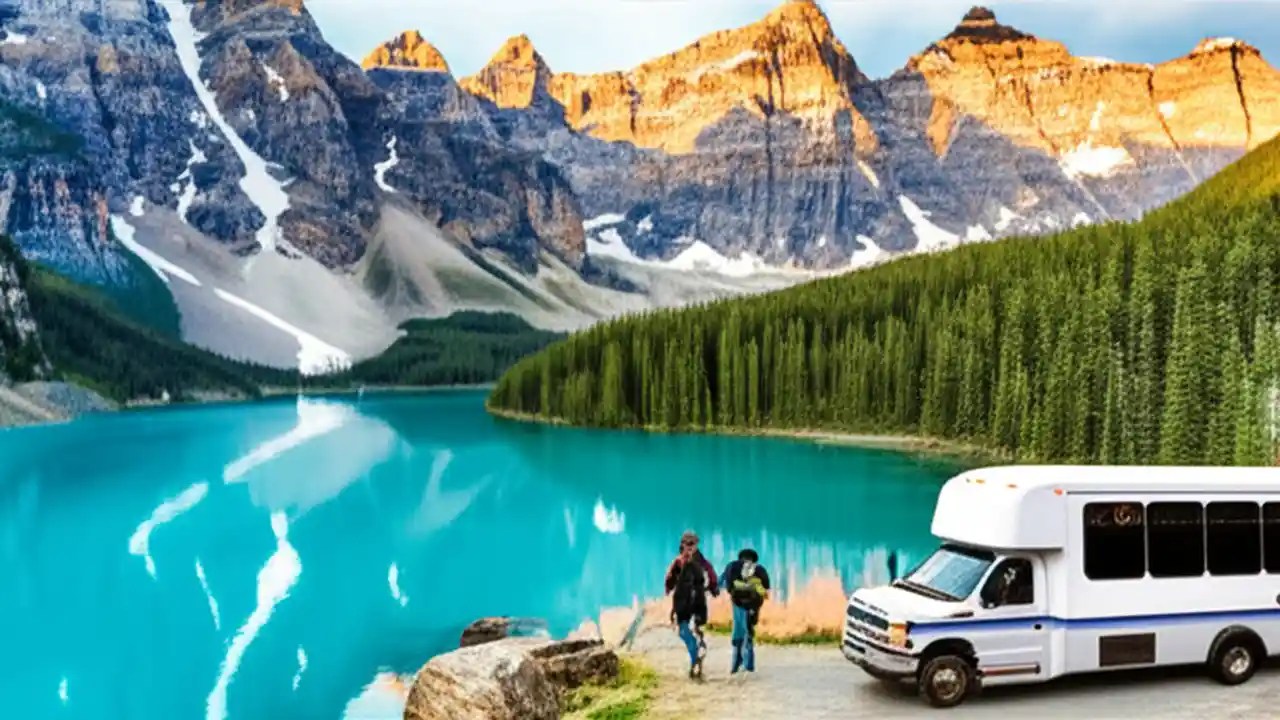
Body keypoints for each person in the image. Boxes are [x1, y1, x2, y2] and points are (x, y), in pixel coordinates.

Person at [664, 530, 719, 679]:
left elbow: (713, 579)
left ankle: (696, 661)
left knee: (694, 630)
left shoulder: (702, 563)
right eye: (686, 543)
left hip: (696, 602)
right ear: (682, 544)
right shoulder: (678, 562)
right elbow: (669, 579)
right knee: (683, 632)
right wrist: (668, 588)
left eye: (692, 543)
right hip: (682, 601)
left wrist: (713, 589)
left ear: (696, 545)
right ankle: (696, 656)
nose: (689, 546)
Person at [719, 548, 770, 674]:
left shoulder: (732, 566)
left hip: (738, 604)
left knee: (738, 633)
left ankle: (736, 665)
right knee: (749, 633)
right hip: (753, 607)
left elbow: (720, 583)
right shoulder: (759, 569)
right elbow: (766, 590)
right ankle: (749, 667)